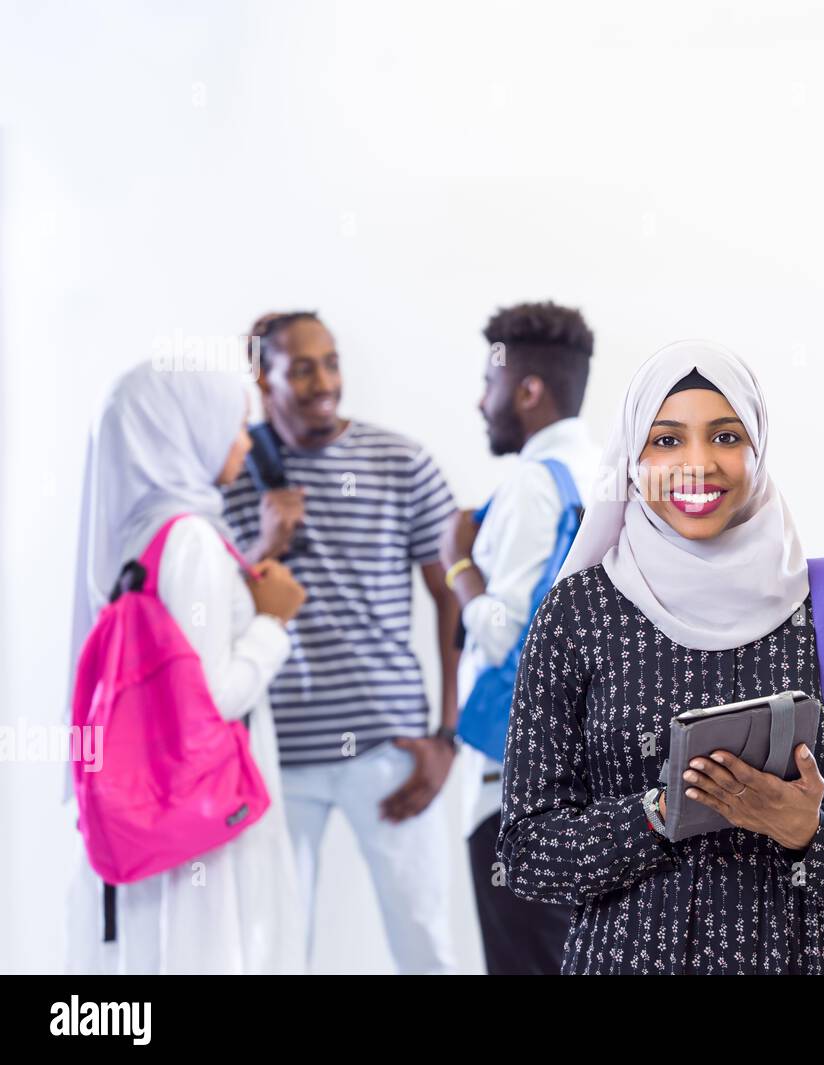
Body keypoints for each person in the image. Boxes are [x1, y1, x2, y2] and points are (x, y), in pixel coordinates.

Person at [495, 339, 824, 974]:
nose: (698, 464)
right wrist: (658, 814)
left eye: (726, 437)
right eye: (666, 441)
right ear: (631, 459)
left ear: (758, 449)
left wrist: (807, 829)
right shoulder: (579, 614)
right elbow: (525, 855)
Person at [221, 311, 462, 974]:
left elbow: (453, 598)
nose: (323, 381)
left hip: (391, 748)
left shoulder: (402, 461)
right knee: (273, 950)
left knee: (424, 940)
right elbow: (203, 602)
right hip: (277, 754)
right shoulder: (235, 468)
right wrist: (264, 545)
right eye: (300, 367)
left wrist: (449, 735)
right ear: (261, 377)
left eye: (329, 361)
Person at [65, 359, 308, 974]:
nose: (246, 442)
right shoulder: (193, 539)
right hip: (212, 812)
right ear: (184, 428)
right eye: (234, 424)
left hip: (165, 805)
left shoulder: (137, 533)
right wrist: (272, 622)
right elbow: (211, 696)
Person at [441, 301, 602, 974]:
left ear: (529, 389)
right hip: (591, 784)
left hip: (515, 790)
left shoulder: (535, 486)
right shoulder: (605, 474)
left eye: (491, 382)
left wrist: (459, 567)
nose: (482, 402)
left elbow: (507, 635)